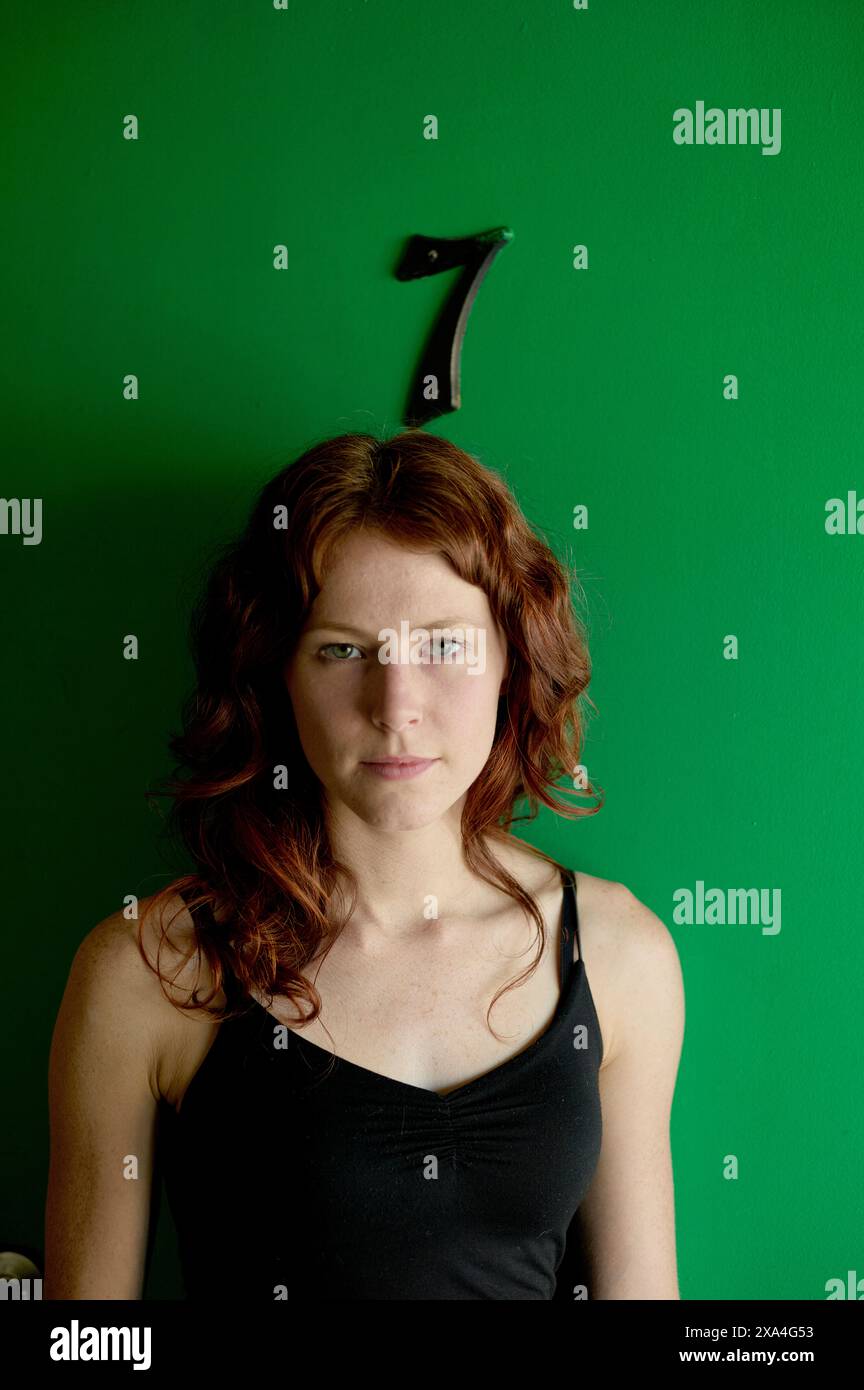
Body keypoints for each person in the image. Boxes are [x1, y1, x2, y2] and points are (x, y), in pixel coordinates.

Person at [44, 429, 684, 1300]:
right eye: (343, 649)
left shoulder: (618, 957)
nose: (398, 707)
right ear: (278, 676)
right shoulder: (147, 971)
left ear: (510, 663)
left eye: (446, 647)